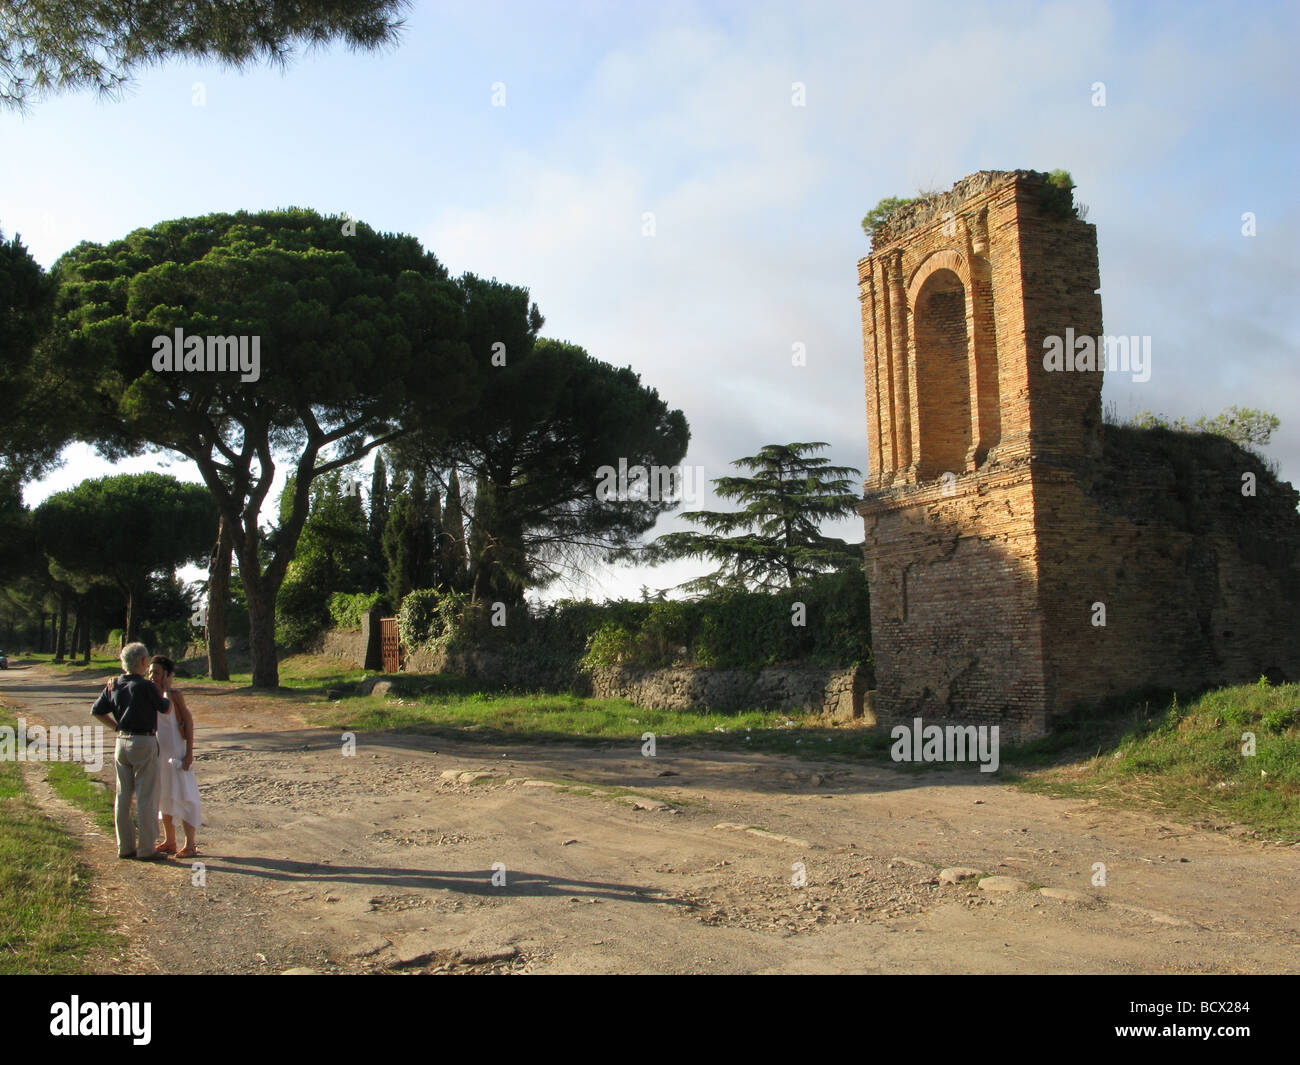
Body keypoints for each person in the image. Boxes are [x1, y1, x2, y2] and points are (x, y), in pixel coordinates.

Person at [91, 642, 172, 860]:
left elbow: (97, 711)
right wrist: (164, 688)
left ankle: (125, 846)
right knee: (146, 797)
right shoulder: (146, 686)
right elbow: (165, 708)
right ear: (143, 662)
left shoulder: (115, 684)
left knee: (123, 796)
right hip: (143, 741)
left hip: (121, 741)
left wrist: (115, 726)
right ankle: (147, 848)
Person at [147, 655, 203, 858]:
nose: (153, 676)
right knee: (164, 797)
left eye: (158, 673)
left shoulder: (174, 696)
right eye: (151, 672)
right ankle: (169, 841)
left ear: (168, 675)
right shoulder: (148, 695)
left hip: (177, 754)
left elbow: (188, 723)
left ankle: (190, 844)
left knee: (185, 796)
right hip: (158, 757)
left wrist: (189, 753)